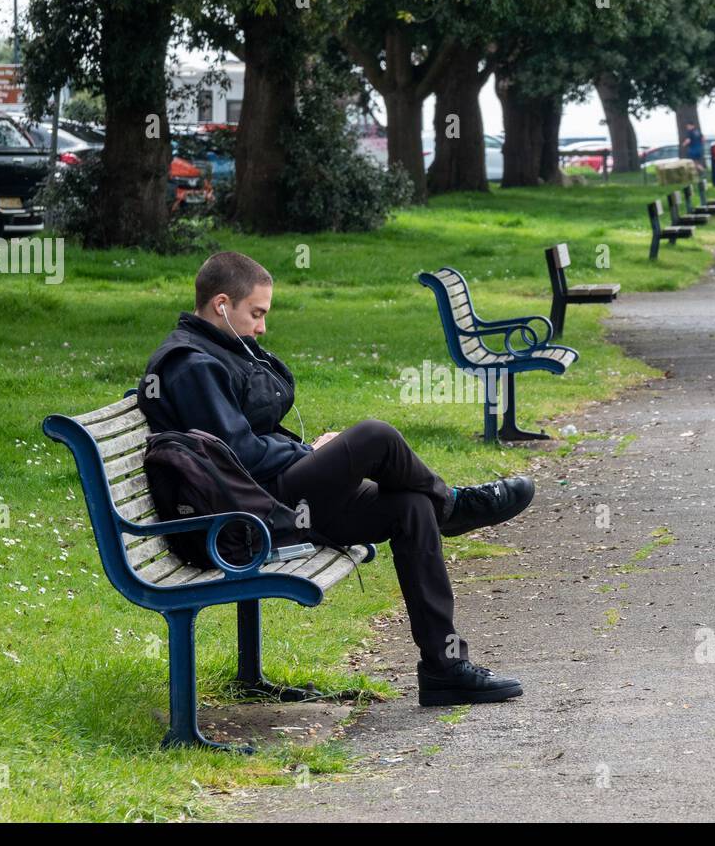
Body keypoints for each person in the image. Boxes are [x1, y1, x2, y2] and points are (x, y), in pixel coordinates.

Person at [137, 252, 535, 707]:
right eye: (257, 313)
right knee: (375, 436)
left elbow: (248, 442)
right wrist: (311, 452)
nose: (262, 327)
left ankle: (444, 670)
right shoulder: (190, 365)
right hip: (245, 513)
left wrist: (309, 452)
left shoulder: (220, 350)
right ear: (222, 304)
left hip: (272, 495)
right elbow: (241, 455)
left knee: (411, 507)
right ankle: (456, 506)